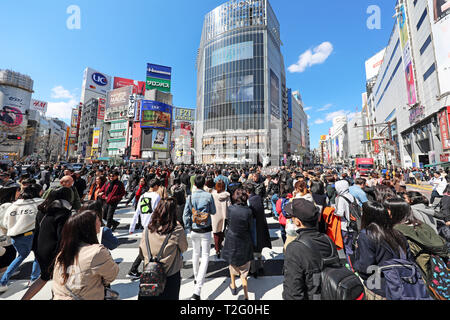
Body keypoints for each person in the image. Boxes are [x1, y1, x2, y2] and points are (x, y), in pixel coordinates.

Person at [353, 201, 416, 300]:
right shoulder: (398, 233)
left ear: (367, 216)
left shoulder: (366, 235)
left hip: (379, 288)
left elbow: (366, 267)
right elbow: (409, 259)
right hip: (403, 285)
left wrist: (356, 263)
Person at [52, 210, 119, 300]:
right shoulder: (97, 252)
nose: (101, 223)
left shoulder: (63, 252)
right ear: (90, 227)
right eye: (98, 220)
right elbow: (112, 275)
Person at [22, 187, 73, 300]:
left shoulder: (42, 210)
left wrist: (35, 249)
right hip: (54, 251)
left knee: (44, 277)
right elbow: (61, 236)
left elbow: (36, 230)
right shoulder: (63, 212)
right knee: (60, 278)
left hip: (40, 250)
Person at [282, 198, 338, 300]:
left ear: (298, 222)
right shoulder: (327, 240)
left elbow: (293, 291)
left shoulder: (294, 248)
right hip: (330, 294)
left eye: (292, 217)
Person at [138, 198, 188, 300]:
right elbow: (184, 247)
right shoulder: (176, 229)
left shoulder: (148, 229)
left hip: (149, 275)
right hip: (170, 275)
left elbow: (141, 252)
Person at [0, 185, 43, 293]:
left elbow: (5, 223)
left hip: (15, 236)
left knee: (20, 257)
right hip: (29, 233)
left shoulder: (13, 206)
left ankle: (3, 282)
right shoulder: (37, 203)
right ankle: (33, 280)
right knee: (37, 255)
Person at [183, 175, 217, 300]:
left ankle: (196, 277)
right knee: (206, 255)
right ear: (204, 184)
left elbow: (185, 214)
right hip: (206, 229)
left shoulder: (190, 196)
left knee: (195, 253)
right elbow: (213, 211)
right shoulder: (208, 196)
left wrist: (188, 227)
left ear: (195, 185)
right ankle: (198, 287)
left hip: (194, 228)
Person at [221, 189, 254, 300]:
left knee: (232, 264)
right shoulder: (248, 211)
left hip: (232, 238)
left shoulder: (230, 209)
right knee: (244, 270)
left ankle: (233, 286)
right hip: (244, 240)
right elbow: (250, 227)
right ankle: (246, 295)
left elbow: (229, 222)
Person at [127, 179, 162, 279]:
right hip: (153, 225)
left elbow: (137, 212)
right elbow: (158, 212)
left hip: (144, 225)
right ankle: (137, 269)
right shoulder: (156, 196)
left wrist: (132, 227)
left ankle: (135, 269)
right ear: (155, 186)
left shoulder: (143, 196)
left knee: (146, 248)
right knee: (148, 248)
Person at [244, 183, 272, 278]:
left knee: (252, 248)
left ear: (247, 191)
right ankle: (259, 266)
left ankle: (253, 269)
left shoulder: (249, 201)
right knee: (258, 248)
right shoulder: (258, 198)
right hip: (260, 225)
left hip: (253, 226)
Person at [334, 180, 356, 265]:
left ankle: (352, 267)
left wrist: (333, 212)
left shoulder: (341, 198)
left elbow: (340, 213)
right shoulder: (352, 196)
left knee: (347, 248)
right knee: (351, 246)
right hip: (353, 225)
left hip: (345, 226)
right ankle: (353, 264)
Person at [211, 180, 230, 259]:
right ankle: (220, 244)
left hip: (215, 215)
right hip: (224, 216)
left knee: (215, 233)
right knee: (222, 231)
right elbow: (229, 206)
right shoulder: (227, 195)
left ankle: (217, 248)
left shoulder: (212, 194)